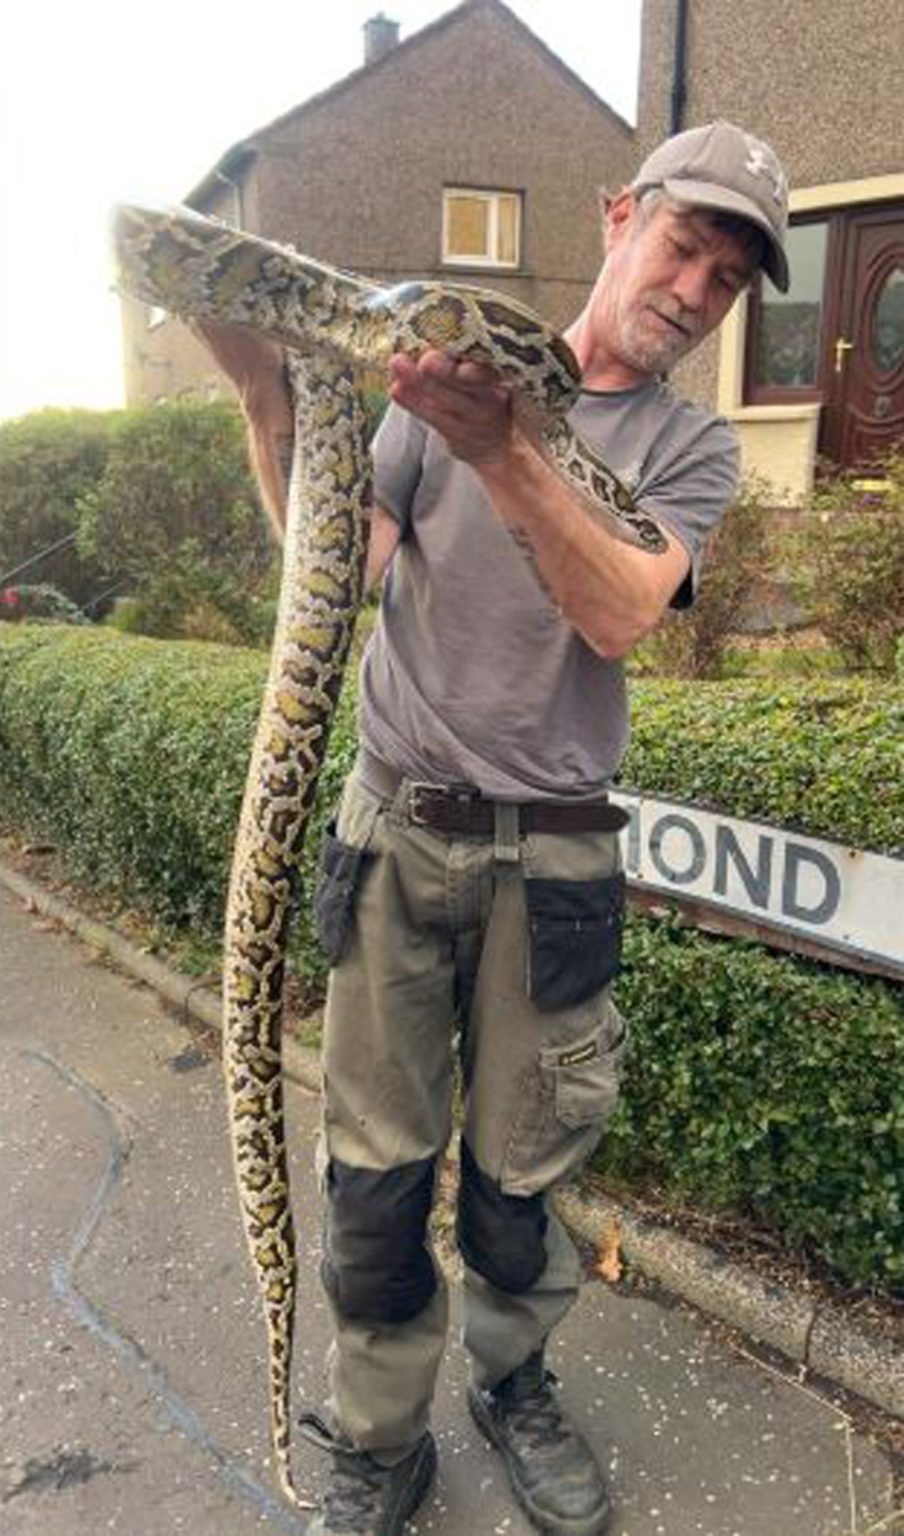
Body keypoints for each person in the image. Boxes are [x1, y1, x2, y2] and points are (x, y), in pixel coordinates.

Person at [198, 120, 790, 1536]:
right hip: (398, 826)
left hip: (559, 854)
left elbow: (622, 608)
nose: (694, 290)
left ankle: (511, 1382)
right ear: (616, 218)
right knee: (376, 1175)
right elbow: (349, 568)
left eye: (726, 277)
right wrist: (262, 400)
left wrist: (508, 451)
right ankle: (380, 1434)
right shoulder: (436, 372)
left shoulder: (690, 446)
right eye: (682, 245)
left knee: (525, 1171)